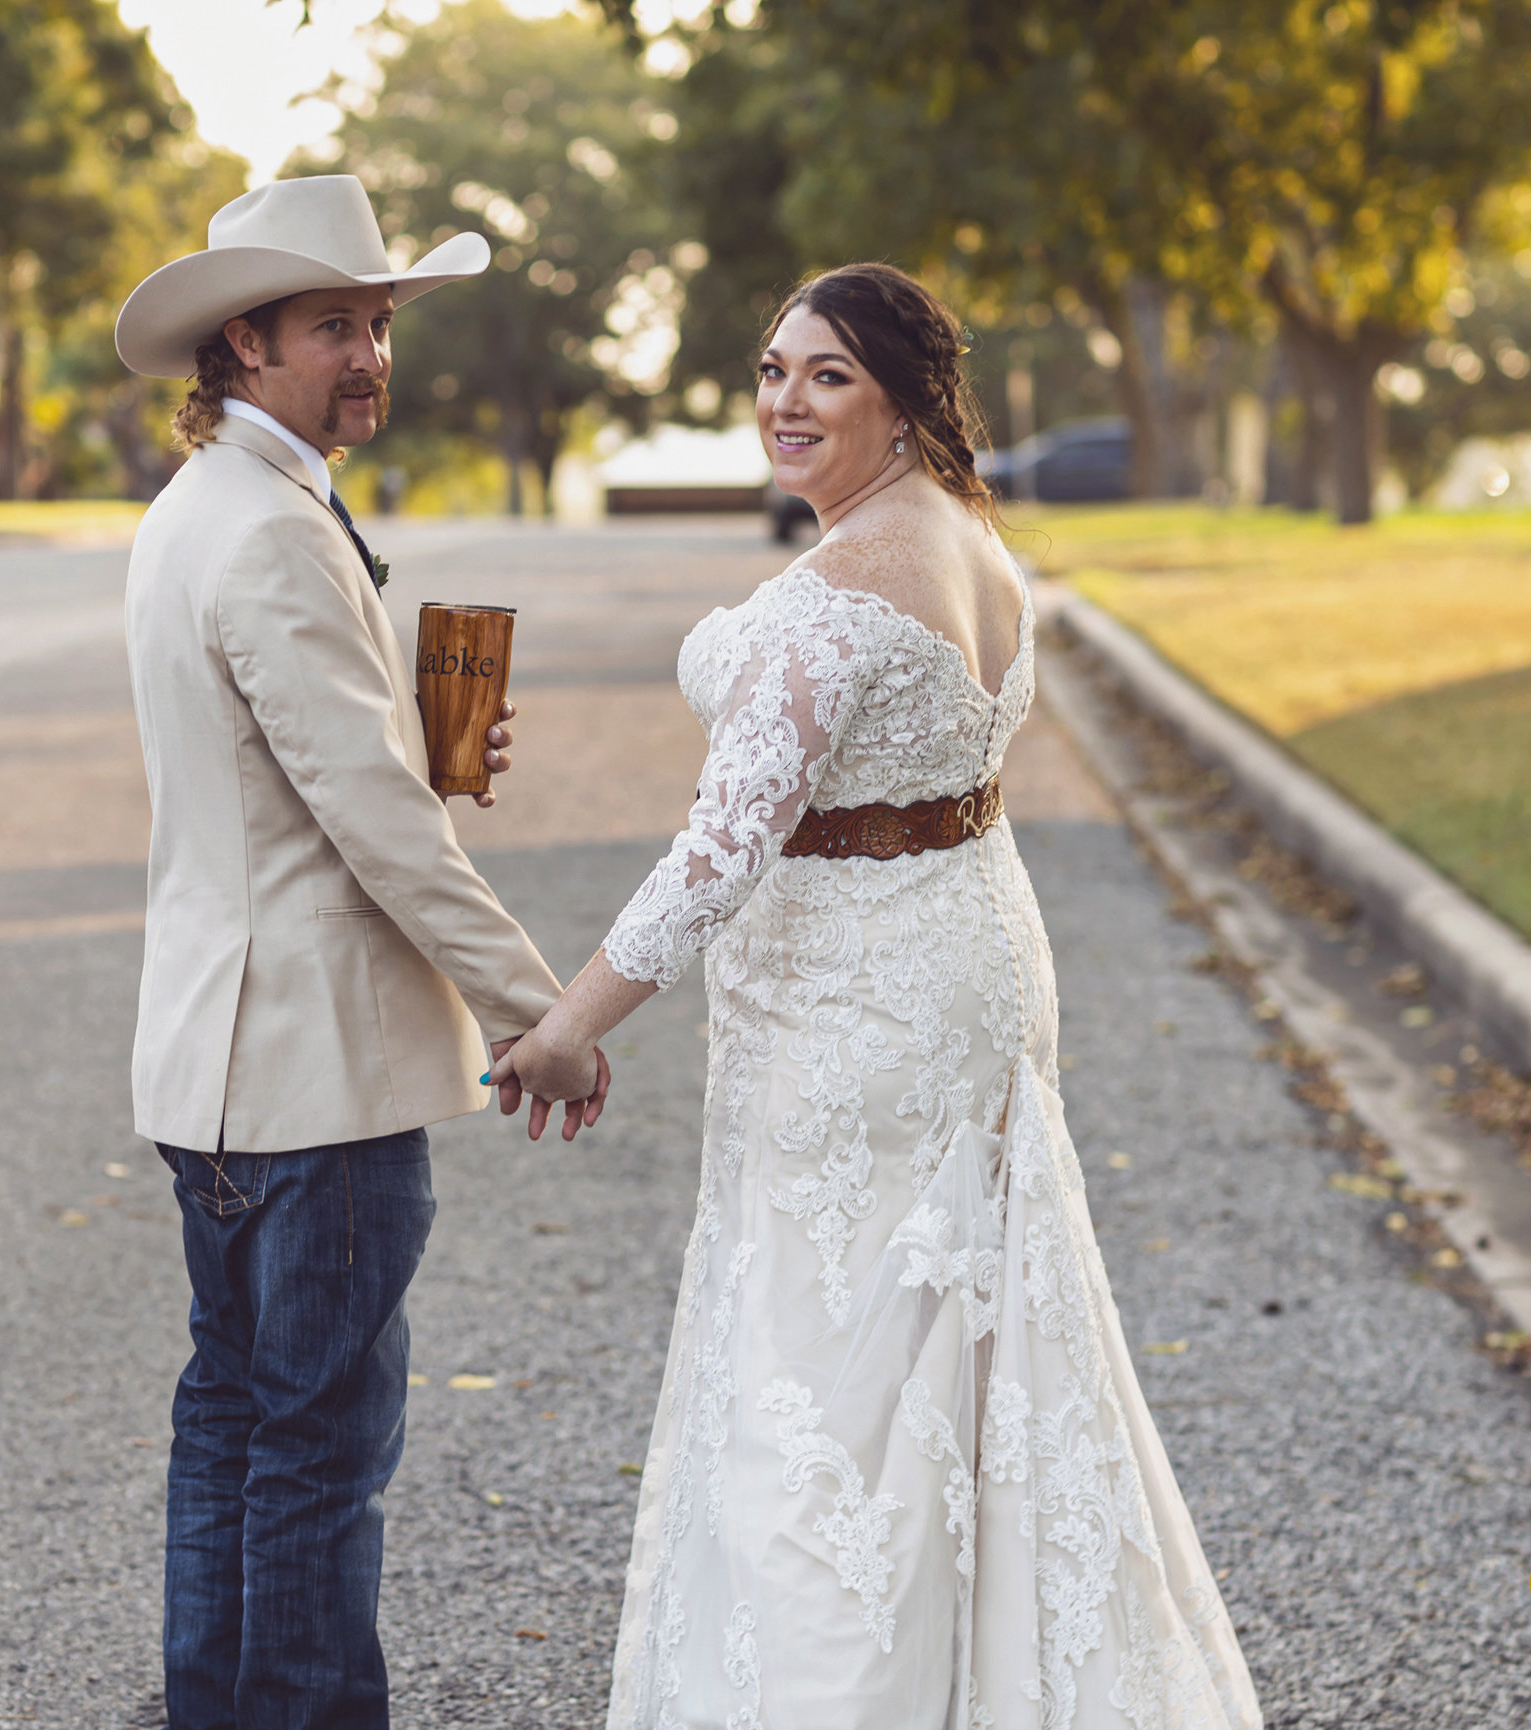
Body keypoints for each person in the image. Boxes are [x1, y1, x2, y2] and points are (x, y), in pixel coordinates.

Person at [491, 264, 1265, 1729]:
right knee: (962, 1362)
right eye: (773, 369)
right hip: (966, 959)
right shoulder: (973, 541)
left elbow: (719, 851)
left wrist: (569, 1023)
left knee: (824, 1399)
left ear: (904, 401)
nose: (786, 400)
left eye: (828, 375)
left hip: (853, 1017)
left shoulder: (836, 593)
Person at [112, 174, 612, 1730]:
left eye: (380, 325)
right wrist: (547, 1010)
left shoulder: (209, 507)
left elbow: (301, 776)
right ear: (245, 342)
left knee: (238, 1422)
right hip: (312, 1082)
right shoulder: (267, 529)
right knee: (320, 1447)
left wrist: (422, 742)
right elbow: (378, 831)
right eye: (336, 325)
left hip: (217, 1063)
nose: (370, 355)